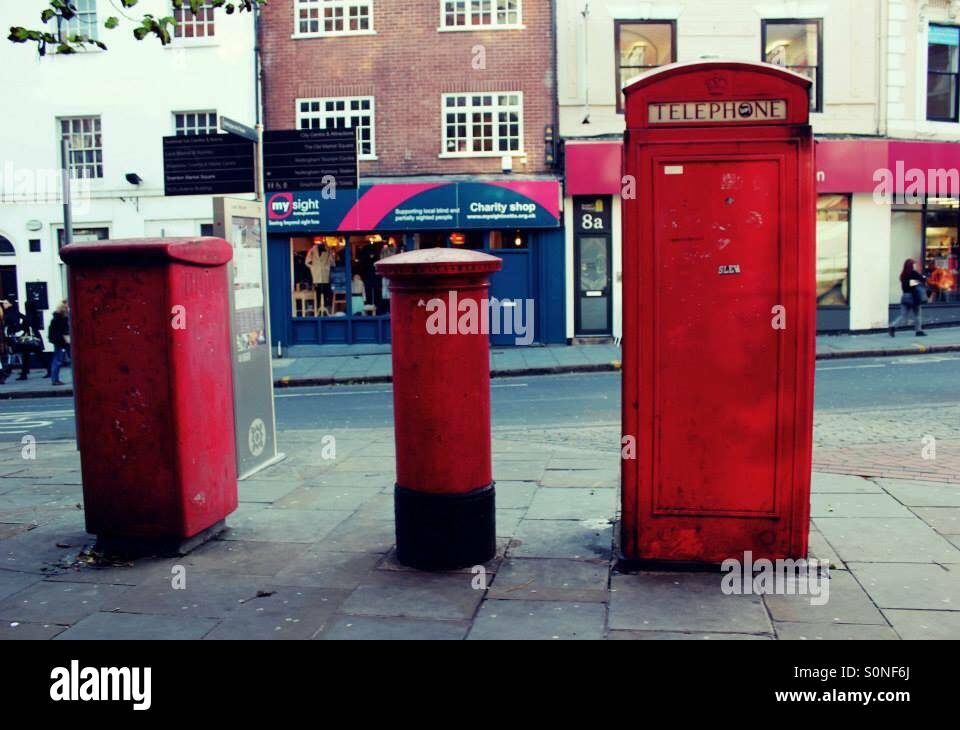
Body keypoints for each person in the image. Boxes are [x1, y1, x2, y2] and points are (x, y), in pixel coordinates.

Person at [889, 258, 928, 337]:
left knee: (903, 315)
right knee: (917, 315)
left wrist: (915, 281)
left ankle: (893, 326)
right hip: (914, 297)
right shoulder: (913, 273)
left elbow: (906, 285)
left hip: (905, 297)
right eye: (914, 264)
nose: (915, 266)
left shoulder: (903, 274)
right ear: (911, 266)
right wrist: (921, 279)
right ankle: (918, 331)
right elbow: (921, 279)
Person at [48, 300, 70, 386]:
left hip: (59, 340)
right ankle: (55, 379)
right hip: (62, 340)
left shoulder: (56, 318)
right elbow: (63, 330)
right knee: (59, 360)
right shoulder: (61, 319)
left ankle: (54, 379)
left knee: (58, 359)